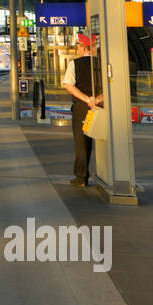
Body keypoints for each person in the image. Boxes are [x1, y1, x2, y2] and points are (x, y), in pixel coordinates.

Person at [62, 32, 104, 188]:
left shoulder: (75, 64)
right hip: (101, 106)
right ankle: (107, 173)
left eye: (78, 46)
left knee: (81, 141)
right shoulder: (102, 63)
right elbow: (110, 85)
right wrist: (97, 99)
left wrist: (87, 100)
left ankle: (81, 177)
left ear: (85, 47)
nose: (77, 49)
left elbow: (68, 85)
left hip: (81, 107)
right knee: (103, 140)